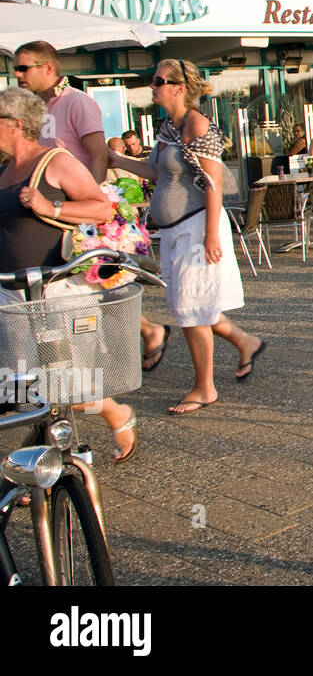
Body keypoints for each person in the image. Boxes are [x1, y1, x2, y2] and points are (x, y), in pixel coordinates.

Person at [108, 60, 264, 415]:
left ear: (179, 88)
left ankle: (204, 387)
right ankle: (245, 344)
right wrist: (115, 158)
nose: (153, 86)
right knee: (187, 306)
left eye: (160, 81)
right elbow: (153, 171)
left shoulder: (197, 123)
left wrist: (211, 236)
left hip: (196, 225)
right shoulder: (168, 127)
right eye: (153, 80)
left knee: (192, 310)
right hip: (175, 229)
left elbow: (214, 184)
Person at [0, 87, 140, 461]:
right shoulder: (2, 170)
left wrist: (51, 205)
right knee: (23, 385)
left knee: (65, 383)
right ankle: (42, 462)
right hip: (11, 292)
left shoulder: (55, 161)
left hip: (53, 292)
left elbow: (100, 208)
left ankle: (112, 412)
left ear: (15, 125)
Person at [14, 40, 108, 182]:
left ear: (48, 68)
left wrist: (94, 199)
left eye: (23, 68)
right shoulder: (29, 107)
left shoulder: (76, 100)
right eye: (15, 69)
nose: (17, 74)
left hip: (75, 195)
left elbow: (100, 154)